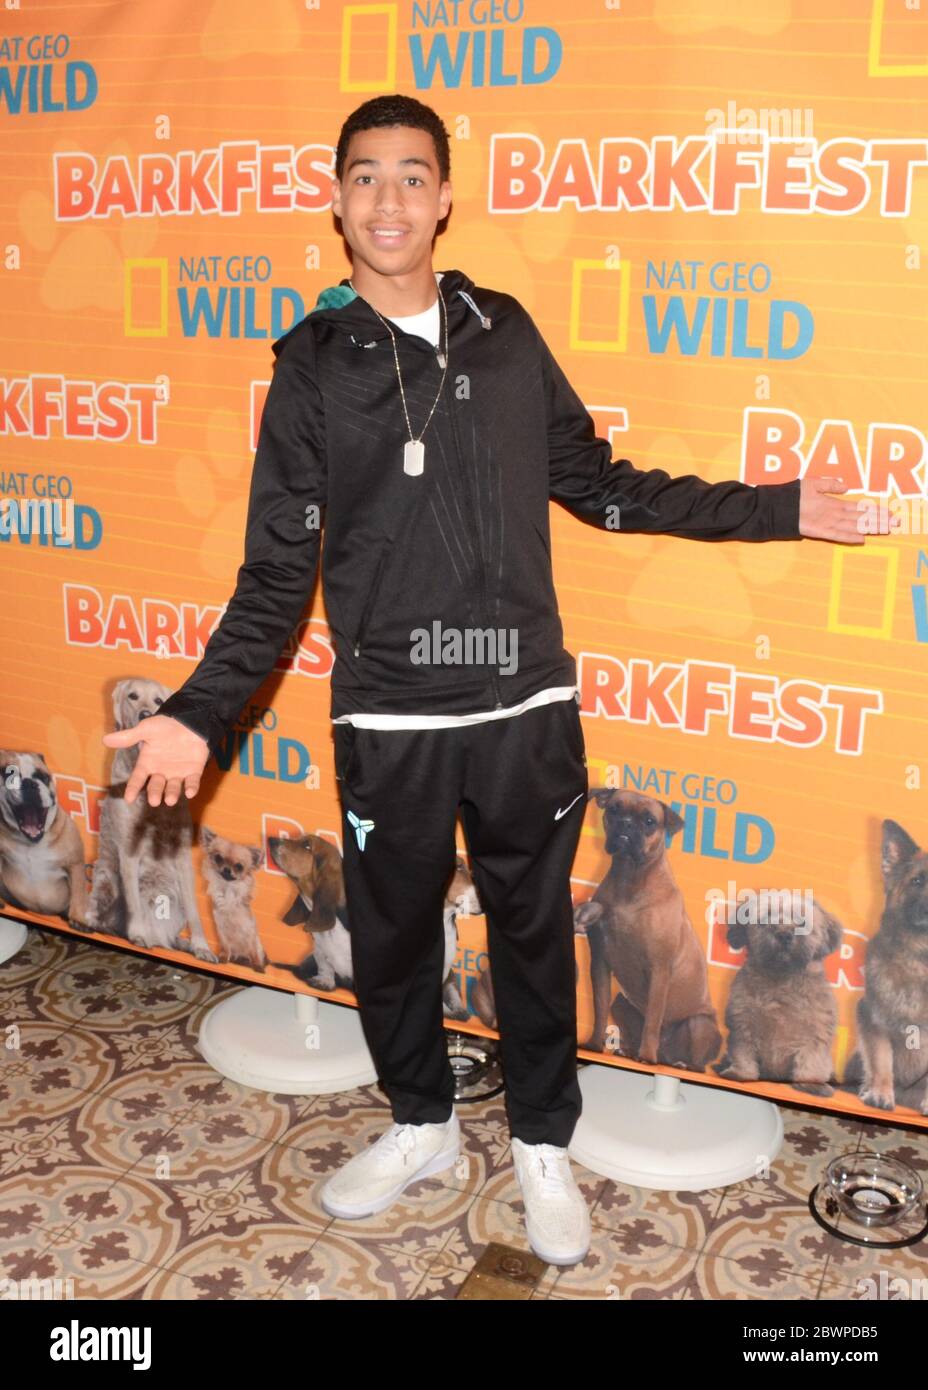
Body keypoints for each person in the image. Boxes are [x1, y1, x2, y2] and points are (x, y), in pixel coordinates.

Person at [104, 94, 874, 1267]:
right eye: (366, 178)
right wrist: (200, 714)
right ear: (336, 200)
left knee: (527, 933)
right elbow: (274, 574)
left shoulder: (503, 333)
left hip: (525, 711)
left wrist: (774, 508)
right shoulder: (311, 366)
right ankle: (419, 1122)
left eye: (413, 177)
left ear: (447, 196)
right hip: (387, 720)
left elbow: (602, 483)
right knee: (398, 934)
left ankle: (539, 1145)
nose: (389, 201)